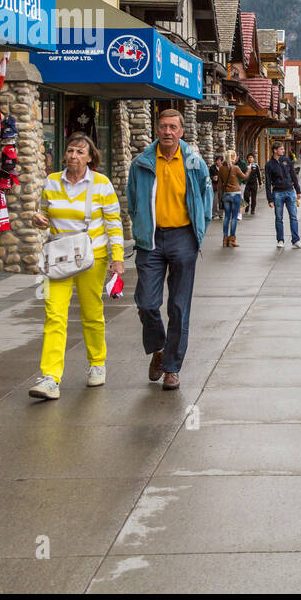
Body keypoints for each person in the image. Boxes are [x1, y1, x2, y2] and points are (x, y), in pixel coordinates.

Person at [28, 133, 124, 400]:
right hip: (59, 257)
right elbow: (44, 212)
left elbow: (114, 224)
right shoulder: (51, 181)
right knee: (54, 314)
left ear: (90, 157)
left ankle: (97, 363)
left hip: (92, 257)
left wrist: (117, 258)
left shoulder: (101, 184)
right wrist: (39, 218)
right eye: (70, 150)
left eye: (80, 152)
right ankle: (50, 377)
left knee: (92, 313)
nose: (74, 156)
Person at [127, 108, 212, 390]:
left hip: (183, 239)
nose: (167, 132)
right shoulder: (141, 163)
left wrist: (199, 229)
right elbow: (132, 200)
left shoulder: (193, 162)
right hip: (150, 240)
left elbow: (205, 197)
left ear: (181, 131)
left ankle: (172, 368)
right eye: (163, 126)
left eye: (173, 127)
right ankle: (158, 350)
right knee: (147, 304)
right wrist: (140, 224)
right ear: (157, 129)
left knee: (178, 306)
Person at [266, 141, 301, 250]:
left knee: (293, 217)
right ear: (275, 150)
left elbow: (293, 176)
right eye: (281, 149)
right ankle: (280, 240)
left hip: (290, 191)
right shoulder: (269, 165)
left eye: (283, 149)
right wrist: (270, 199)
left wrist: (298, 190)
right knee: (279, 218)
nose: (283, 150)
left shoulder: (286, 161)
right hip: (277, 193)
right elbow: (268, 183)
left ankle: (296, 240)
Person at [218, 150, 249, 247]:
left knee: (226, 217)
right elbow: (244, 177)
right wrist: (248, 170)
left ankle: (225, 239)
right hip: (235, 194)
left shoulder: (221, 169)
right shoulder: (235, 168)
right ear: (233, 158)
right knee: (234, 218)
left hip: (226, 194)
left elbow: (220, 184)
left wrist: (223, 195)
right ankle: (232, 239)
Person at [209, 154, 224, 219]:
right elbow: (209, 175)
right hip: (214, 185)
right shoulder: (212, 167)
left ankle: (221, 213)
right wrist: (213, 178)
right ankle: (214, 213)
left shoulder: (223, 168)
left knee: (221, 200)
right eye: (217, 160)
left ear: (221, 161)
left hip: (222, 186)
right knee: (214, 200)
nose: (218, 162)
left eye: (219, 160)